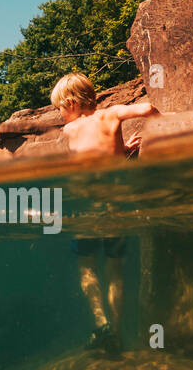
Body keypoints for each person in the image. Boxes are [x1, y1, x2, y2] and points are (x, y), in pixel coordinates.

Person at [49, 72, 158, 352]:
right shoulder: (110, 115)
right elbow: (146, 109)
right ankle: (118, 336)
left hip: (89, 207)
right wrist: (126, 148)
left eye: (59, 108)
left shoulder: (69, 131)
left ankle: (102, 326)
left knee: (87, 267)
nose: (59, 114)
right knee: (116, 271)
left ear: (71, 103)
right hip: (116, 206)